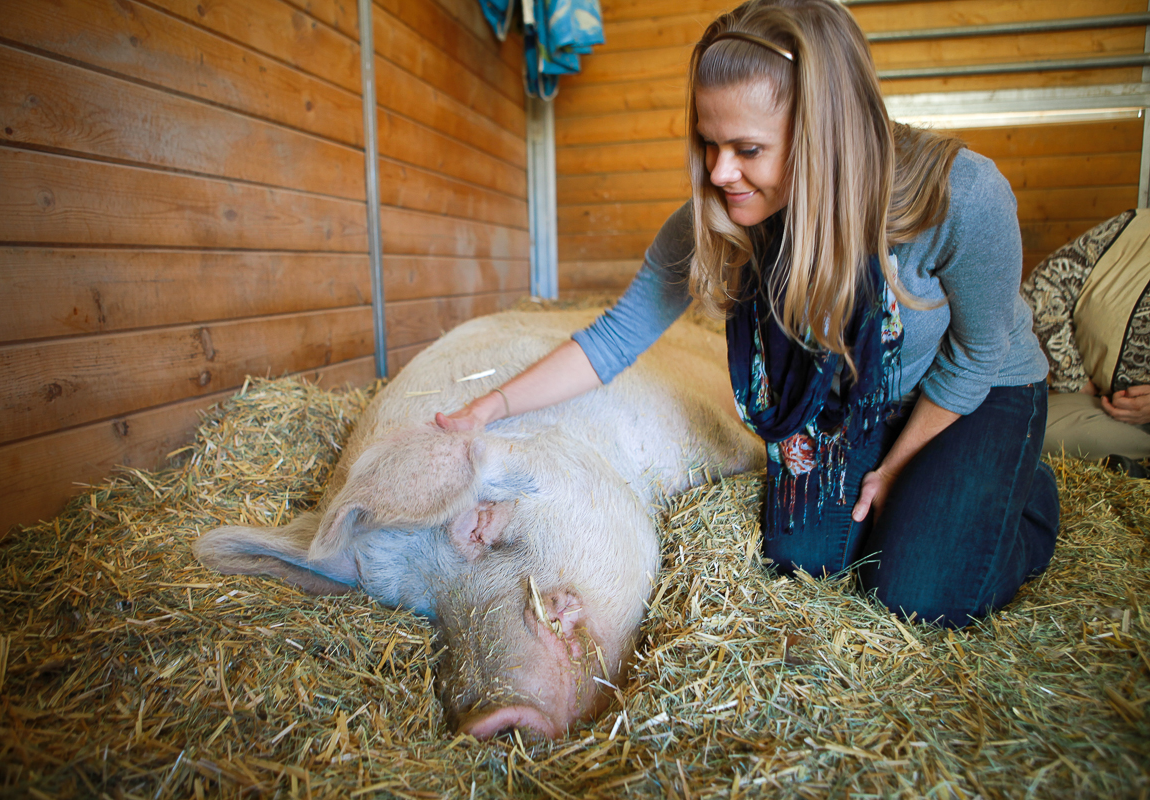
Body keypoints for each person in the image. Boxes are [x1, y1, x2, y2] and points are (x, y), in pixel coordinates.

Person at [438, 0, 1059, 628]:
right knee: (805, 563)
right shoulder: (725, 216)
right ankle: (942, 502)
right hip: (851, 397)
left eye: (748, 148)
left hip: (976, 391)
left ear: (826, 135)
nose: (719, 171)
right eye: (710, 143)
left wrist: (894, 470)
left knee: (918, 597)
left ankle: (1020, 495)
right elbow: (617, 336)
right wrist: (493, 407)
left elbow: (978, 353)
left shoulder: (960, 194)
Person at [1021, 210, 1150, 476]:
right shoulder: (1134, 228)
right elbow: (1044, 285)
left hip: (1141, 422)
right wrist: (1075, 379)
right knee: (1019, 428)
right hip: (1097, 401)